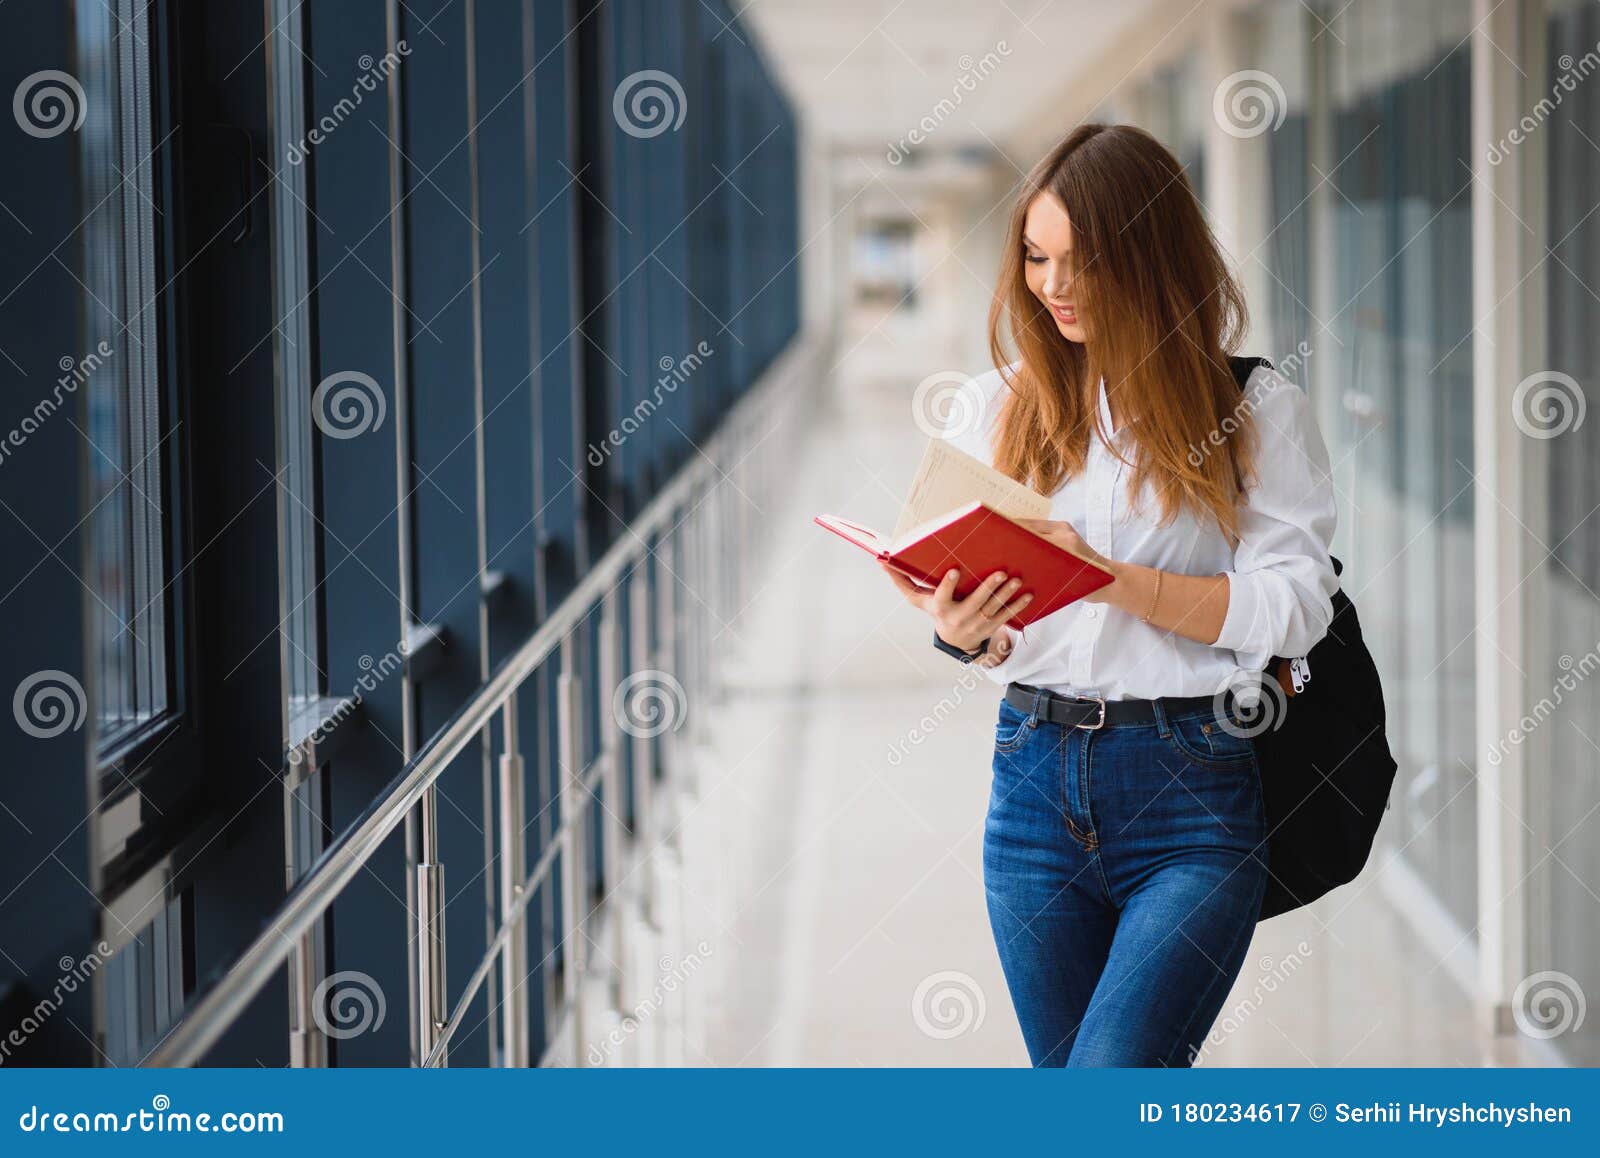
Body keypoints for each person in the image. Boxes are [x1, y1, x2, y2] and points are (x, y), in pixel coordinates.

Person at [880, 123, 1338, 1067]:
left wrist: (1112, 579)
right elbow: (1001, 626)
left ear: (1151, 256)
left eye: (1083, 261)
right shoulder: (993, 406)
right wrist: (963, 631)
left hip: (1192, 787)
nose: (1054, 286)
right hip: (1032, 782)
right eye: (1038, 258)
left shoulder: (1251, 412)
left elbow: (1296, 608)